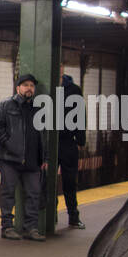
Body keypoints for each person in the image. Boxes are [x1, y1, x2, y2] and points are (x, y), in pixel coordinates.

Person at [0, 72, 46, 241]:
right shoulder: (5, 105)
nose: (29, 88)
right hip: (10, 159)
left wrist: (45, 156)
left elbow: (43, 134)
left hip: (32, 159)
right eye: (26, 85)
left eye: (31, 86)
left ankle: (31, 228)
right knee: (8, 193)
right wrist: (9, 143)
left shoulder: (38, 108)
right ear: (18, 88)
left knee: (33, 194)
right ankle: (7, 227)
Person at [58, 73, 87, 228]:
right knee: (46, 181)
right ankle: (50, 217)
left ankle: (73, 217)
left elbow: (80, 114)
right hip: (50, 143)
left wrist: (80, 140)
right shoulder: (45, 88)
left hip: (68, 142)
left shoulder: (74, 90)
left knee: (70, 181)